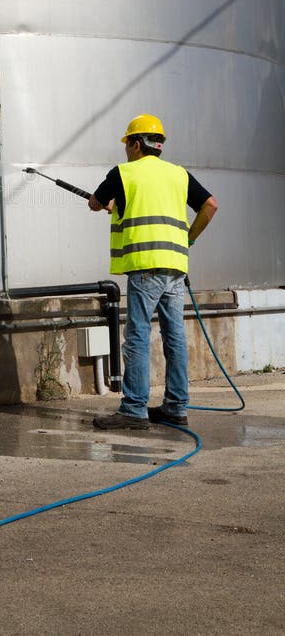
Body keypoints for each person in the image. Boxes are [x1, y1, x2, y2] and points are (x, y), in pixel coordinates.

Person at [88, 113, 218, 429]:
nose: (126, 149)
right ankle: (175, 406)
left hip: (145, 268)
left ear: (135, 143)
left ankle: (133, 409)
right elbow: (210, 205)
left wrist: (106, 204)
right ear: (157, 144)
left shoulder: (124, 173)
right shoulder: (179, 175)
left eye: (127, 143)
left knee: (137, 336)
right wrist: (189, 237)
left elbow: (95, 202)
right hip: (175, 268)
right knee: (174, 336)